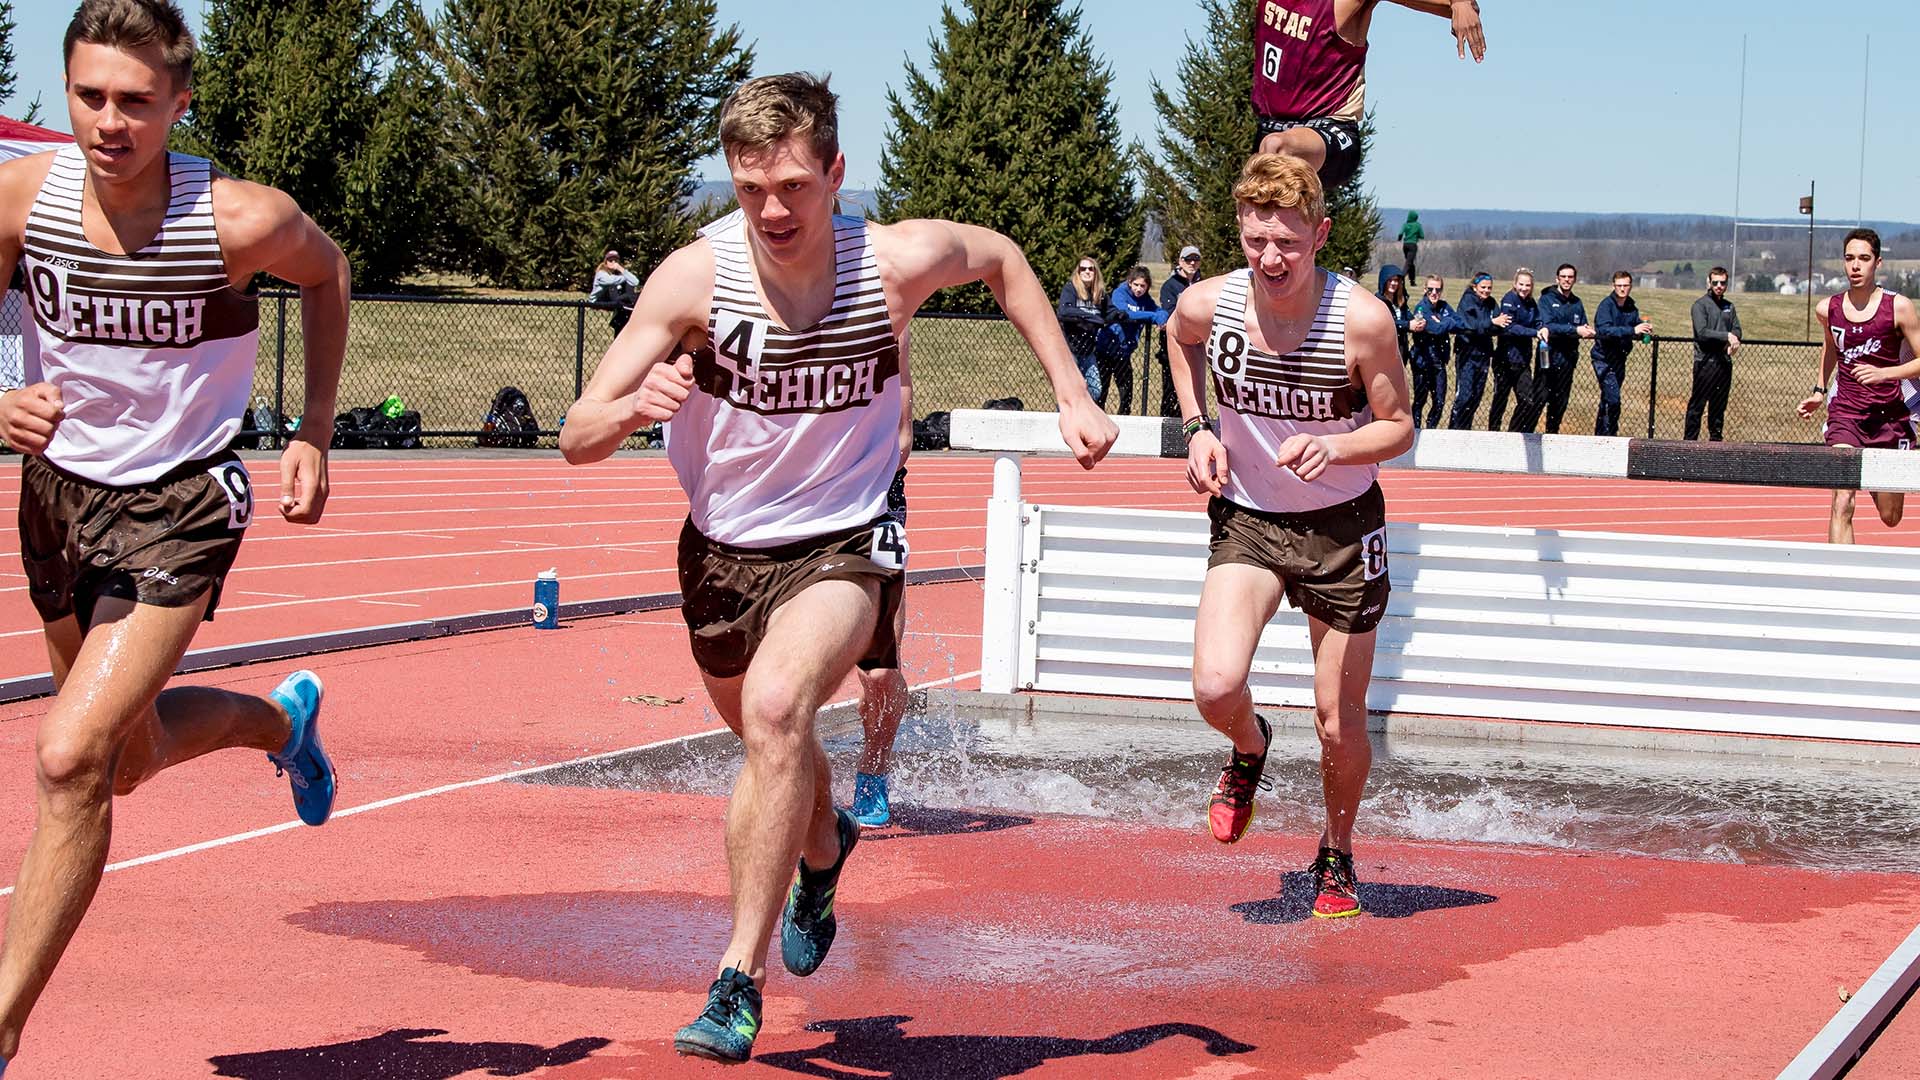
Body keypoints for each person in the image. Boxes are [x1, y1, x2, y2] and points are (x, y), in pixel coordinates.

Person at [558, 72, 1117, 1065]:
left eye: (794, 187)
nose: (773, 210)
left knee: (778, 712)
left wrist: (1070, 393)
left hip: (845, 541)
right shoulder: (693, 281)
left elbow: (1003, 260)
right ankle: (822, 854)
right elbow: (574, 434)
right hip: (723, 551)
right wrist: (631, 408)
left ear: (835, 174)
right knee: (775, 742)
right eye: (750, 189)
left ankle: (737, 979)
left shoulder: (891, 262)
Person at [0, 2, 350, 1071]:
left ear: (179, 103)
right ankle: (281, 727)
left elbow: (330, 275)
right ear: (67, 93)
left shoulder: (240, 220)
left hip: (182, 504)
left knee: (68, 758)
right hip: (57, 498)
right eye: (90, 96)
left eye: (137, 102)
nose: (111, 122)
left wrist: (317, 431)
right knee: (121, 765)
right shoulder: (21, 198)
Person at [1166, 152, 1413, 919]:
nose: (1271, 259)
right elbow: (1179, 338)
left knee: (1339, 720)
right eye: (1256, 241)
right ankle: (1249, 746)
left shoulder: (1362, 321)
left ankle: (1336, 852)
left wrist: (1335, 446)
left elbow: (1400, 427)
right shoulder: (1215, 303)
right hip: (1249, 519)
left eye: (1289, 244)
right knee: (1213, 685)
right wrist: (1198, 428)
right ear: (1240, 232)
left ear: (1320, 235)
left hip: (1342, 530)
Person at [1253, 0, 1487, 189]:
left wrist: (1459, 2)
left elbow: (1459, 7)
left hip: (1329, 135)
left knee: (1275, 151)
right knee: (1268, 157)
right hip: (1270, 128)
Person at [1797, 229, 1920, 544]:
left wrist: (1886, 374)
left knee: (1891, 517)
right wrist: (1819, 390)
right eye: (1850, 258)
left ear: (1877, 263)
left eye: (1863, 258)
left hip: (1890, 416)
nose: (1855, 266)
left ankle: (1877, 477)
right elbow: (1830, 350)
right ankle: (1837, 581)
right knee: (1842, 500)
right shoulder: (1828, 309)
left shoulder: (1899, 307)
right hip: (1847, 415)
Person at [1510, 263, 1593, 434]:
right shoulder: (1547, 299)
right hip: (1548, 357)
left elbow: (1582, 323)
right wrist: (1574, 330)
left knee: (1560, 402)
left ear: (1574, 279)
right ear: (1557, 279)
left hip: (1568, 359)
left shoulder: (1577, 303)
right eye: (1563, 276)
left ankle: (1552, 436)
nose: (1567, 280)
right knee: (1539, 398)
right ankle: (1526, 434)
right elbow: (1548, 325)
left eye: (1570, 277)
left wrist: (1586, 329)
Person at [1095, 265, 1168, 414]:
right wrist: (1152, 317)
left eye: (1143, 286)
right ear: (1129, 282)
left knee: (1126, 393)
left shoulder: (1145, 300)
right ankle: (1097, 418)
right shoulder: (1119, 293)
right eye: (1136, 285)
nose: (1139, 289)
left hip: (1124, 353)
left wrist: (1161, 317)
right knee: (1101, 391)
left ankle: (1124, 419)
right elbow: (1125, 314)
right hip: (1105, 350)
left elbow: (1158, 311)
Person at [1590, 270, 1652, 437]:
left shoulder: (1631, 307)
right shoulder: (1606, 306)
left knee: (1607, 400)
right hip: (1603, 359)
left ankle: (1600, 436)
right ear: (1613, 286)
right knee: (1613, 399)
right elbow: (1605, 330)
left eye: (1626, 285)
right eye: (1619, 286)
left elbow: (1633, 322)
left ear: (1631, 286)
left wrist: (1643, 327)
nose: (1623, 289)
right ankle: (1610, 435)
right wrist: (1632, 330)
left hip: (1619, 358)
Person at [1685, 267, 1741, 441]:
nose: (1719, 286)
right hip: (1705, 362)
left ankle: (1715, 444)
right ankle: (1688, 444)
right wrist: (1726, 336)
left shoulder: (1729, 307)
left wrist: (1735, 340)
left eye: (1722, 283)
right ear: (1709, 283)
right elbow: (1702, 332)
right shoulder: (1700, 305)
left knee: (1718, 407)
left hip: (1724, 363)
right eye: (1715, 282)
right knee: (1697, 406)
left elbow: (1737, 328)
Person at [1448, 271, 1508, 429]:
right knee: (1464, 395)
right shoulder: (1467, 301)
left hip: (1484, 353)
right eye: (1483, 287)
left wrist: (1488, 325)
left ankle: (1466, 428)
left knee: (1476, 396)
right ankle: (1454, 427)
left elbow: (1499, 326)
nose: (1486, 291)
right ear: (1474, 287)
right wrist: (1490, 323)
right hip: (1467, 353)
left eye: (1489, 287)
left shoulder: (1491, 303)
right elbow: (1469, 326)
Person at [1488, 268, 1541, 431]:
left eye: (1527, 285)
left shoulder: (1531, 303)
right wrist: (1534, 332)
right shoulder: (1509, 299)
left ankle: (1513, 431)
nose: (1524, 288)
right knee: (1500, 399)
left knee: (1527, 400)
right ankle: (1494, 431)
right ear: (1515, 284)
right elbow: (1509, 327)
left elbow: (1538, 320)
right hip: (1505, 359)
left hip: (1523, 360)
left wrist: (1542, 327)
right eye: (1521, 284)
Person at [1157, 245, 1203, 418]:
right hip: (1174, 343)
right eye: (1188, 259)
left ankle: (1190, 419)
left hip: (1197, 344)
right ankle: (1168, 420)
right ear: (1180, 261)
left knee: (1193, 386)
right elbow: (1170, 312)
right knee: (1171, 386)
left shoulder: (1201, 283)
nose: (1192, 263)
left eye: (1196, 259)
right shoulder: (1170, 285)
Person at [1407, 274, 1458, 428]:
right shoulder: (1420, 308)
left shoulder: (1444, 306)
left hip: (1439, 362)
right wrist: (1446, 323)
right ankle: (1415, 430)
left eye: (1438, 289)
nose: (1434, 293)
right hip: (1422, 362)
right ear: (1425, 289)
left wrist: (1444, 321)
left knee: (1439, 401)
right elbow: (1434, 329)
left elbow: (1460, 323)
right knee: (1420, 400)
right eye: (1430, 289)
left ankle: (1431, 429)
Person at [1057, 256, 1107, 403]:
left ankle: (1083, 413)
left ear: (1095, 272)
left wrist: (1121, 315)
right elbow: (1064, 311)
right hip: (1070, 349)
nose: (1087, 271)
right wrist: (1088, 317)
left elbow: (1109, 311)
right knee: (1069, 389)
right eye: (1083, 269)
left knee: (1095, 389)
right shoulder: (1070, 289)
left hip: (1088, 350)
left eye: (1090, 269)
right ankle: (1063, 417)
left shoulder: (1099, 293)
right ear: (1077, 272)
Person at [589, 248, 639, 334]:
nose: (613, 263)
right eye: (610, 260)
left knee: (628, 286)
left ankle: (630, 305)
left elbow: (635, 282)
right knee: (615, 285)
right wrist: (626, 276)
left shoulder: (617, 274)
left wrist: (622, 270)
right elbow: (612, 281)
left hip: (613, 300)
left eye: (615, 261)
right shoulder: (601, 273)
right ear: (606, 262)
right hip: (598, 301)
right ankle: (635, 303)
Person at [1375, 265, 1410, 368]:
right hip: (1383, 350)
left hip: (1400, 349)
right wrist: (1407, 325)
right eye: (1390, 280)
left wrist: (1419, 322)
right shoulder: (1378, 301)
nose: (1394, 283)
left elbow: (1409, 317)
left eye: (1396, 280)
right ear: (1384, 281)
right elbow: (1385, 323)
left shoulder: (1400, 301)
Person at [1397, 210, 1423, 282]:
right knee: (1409, 263)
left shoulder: (1405, 225)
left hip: (1405, 245)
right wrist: (1416, 236)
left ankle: (1412, 280)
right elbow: (1422, 235)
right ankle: (1401, 276)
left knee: (1410, 262)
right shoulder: (1417, 225)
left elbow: (1400, 233)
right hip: (1413, 245)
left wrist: (1399, 239)